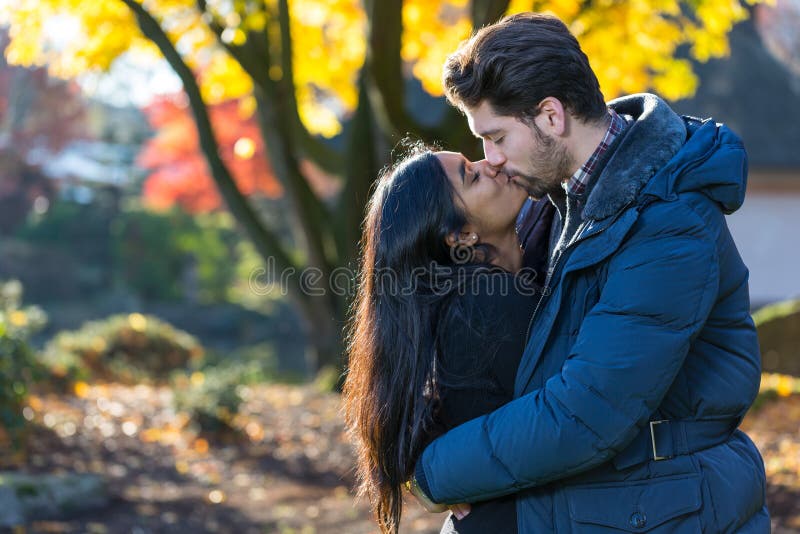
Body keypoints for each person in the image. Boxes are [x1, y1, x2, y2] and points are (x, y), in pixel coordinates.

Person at [408, 12, 770, 533]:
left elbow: (587, 411)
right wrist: (416, 437)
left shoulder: (669, 222)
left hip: (666, 510)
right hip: (602, 498)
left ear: (551, 117)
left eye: (497, 137)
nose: (490, 160)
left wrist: (436, 473)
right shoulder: (549, 200)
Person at [342, 145, 551, 533]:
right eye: (472, 175)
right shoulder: (488, 303)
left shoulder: (470, 300)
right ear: (461, 236)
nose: (494, 163)